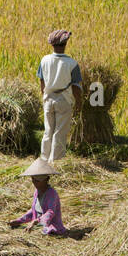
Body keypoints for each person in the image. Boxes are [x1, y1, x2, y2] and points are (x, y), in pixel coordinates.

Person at [38, 29, 83, 163]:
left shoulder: (44, 60)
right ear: (65, 44)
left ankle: (44, 160)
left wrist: (44, 96)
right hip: (64, 100)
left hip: (48, 98)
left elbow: (41, 81)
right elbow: (76, 86)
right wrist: (79, 103)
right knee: (60, 132)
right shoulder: (72, 63)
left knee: (48, 131)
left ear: (52, 45)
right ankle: (56, 162)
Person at [9, 158, 67, 236]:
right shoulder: (37, 192)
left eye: (37, 181)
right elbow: (34, 210)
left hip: (51, 226)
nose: (34, 183)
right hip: (37, 226)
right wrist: (19, 221)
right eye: (33, 180)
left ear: (46, 180)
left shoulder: (52, 193)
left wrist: (36, 221)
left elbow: (50, 212)